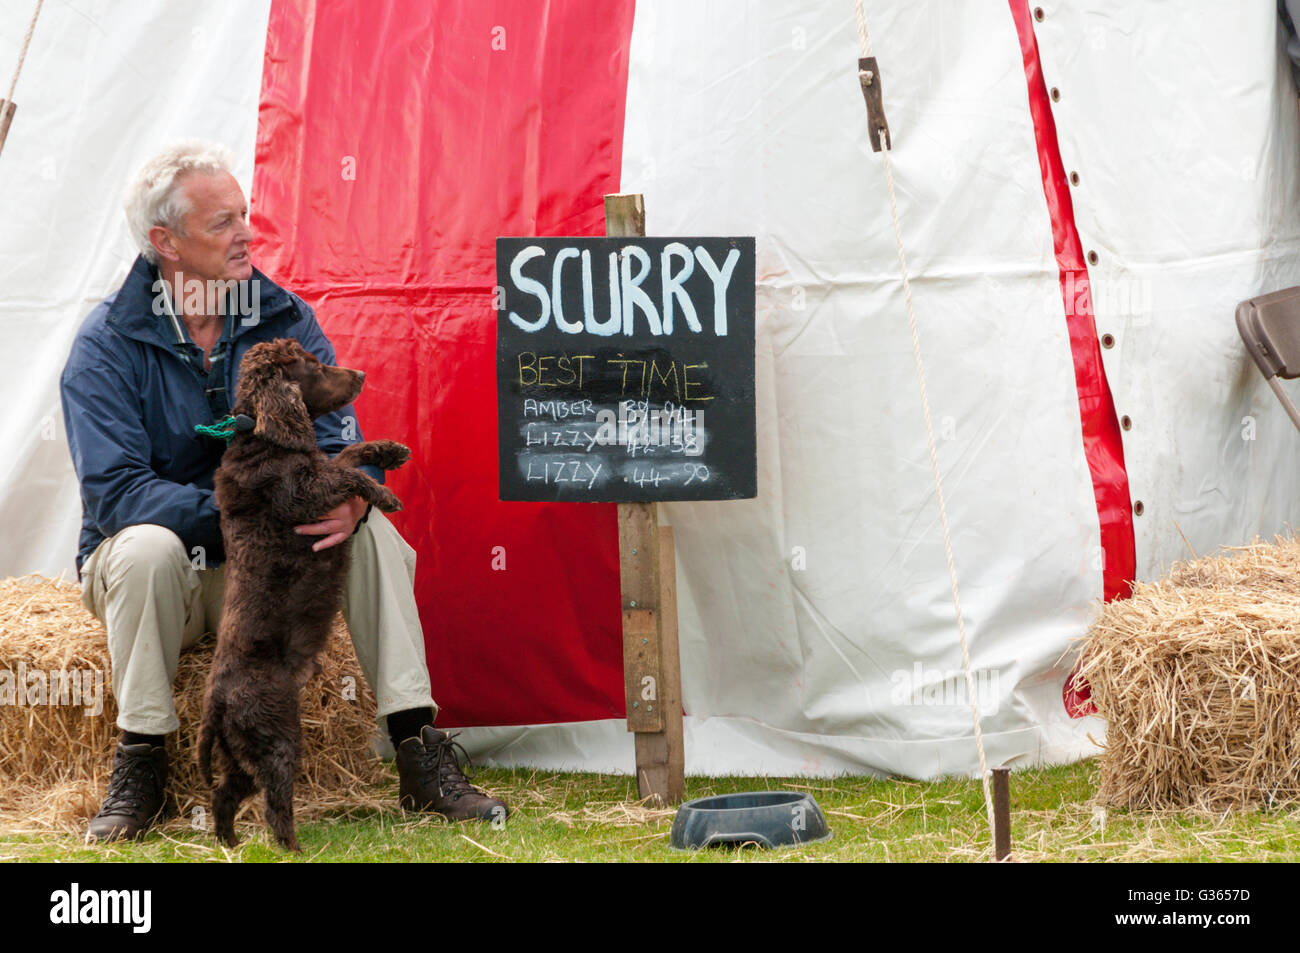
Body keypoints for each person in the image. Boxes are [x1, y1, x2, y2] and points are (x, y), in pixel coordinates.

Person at [60, 140, 507, 842]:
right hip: (176, 578)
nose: (247, 234)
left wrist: (356, 492)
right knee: (144, 548)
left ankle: (419, 750)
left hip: (266, 575)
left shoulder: (285, 317)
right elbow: (119, 497)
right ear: (164, 242)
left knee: (373, 531)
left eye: (246, 214)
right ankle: (141, 761)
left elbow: (339, 439)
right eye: (222, 223)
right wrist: (257, 507)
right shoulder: (103, 348)